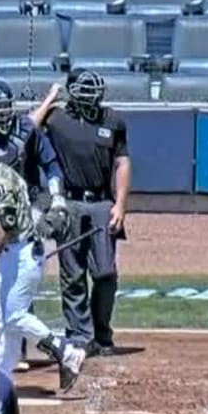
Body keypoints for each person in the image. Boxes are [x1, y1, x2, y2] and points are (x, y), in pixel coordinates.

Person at [0, 78, 88, 394]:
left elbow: (7, 220)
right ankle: (1, 373)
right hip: (15, 235)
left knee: (13, 314)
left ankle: (66, 350)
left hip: (17, 237)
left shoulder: (3, 175)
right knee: (6, 313)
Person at [31, 70, 132, 357]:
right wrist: (50, 98)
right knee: (72, 274)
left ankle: (102, 334)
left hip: (101, 203)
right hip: (68, 203)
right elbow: (28, 127)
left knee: (105, 273)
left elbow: (122, 163)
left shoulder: (112, 121)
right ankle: (79, 335)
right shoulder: (56, 118)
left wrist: (121, 204)